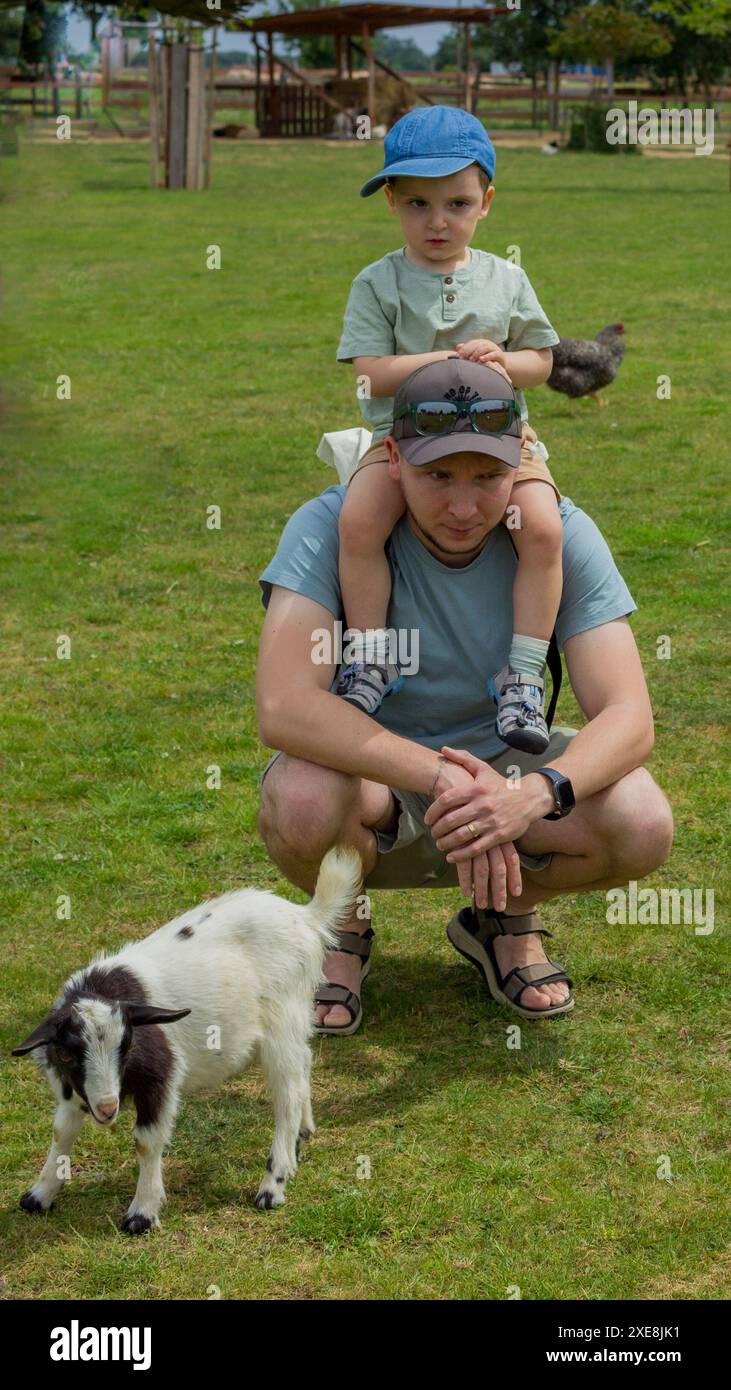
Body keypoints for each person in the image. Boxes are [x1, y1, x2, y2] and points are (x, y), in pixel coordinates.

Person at [255, 357, 673, 1036]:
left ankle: (500, 916)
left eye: (487, 477)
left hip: (509, 774)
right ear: (392, 458)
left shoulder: (560, 533)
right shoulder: (329, 525)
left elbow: (628, 716)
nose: (462, 506)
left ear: (522, 459)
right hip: (371, 781)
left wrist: (526, 797)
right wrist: (445, 778)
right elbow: (282, 706)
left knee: (641, 822)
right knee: (301, 800)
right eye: (435, 476)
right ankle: (345, 928)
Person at [335, 105, 562, 754]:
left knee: (543, 527)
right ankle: (372, 656)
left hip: (498, 440)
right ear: (390, 203)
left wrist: (502, 359)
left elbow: (541, 362)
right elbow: (369, 376)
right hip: (404, 444)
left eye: (456, 203)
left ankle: (519, 674)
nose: (437, 221)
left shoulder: (506, 278)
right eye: (416, 204)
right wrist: (438, 359)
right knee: (357, 523)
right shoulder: (377, 283)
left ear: (485, 202)